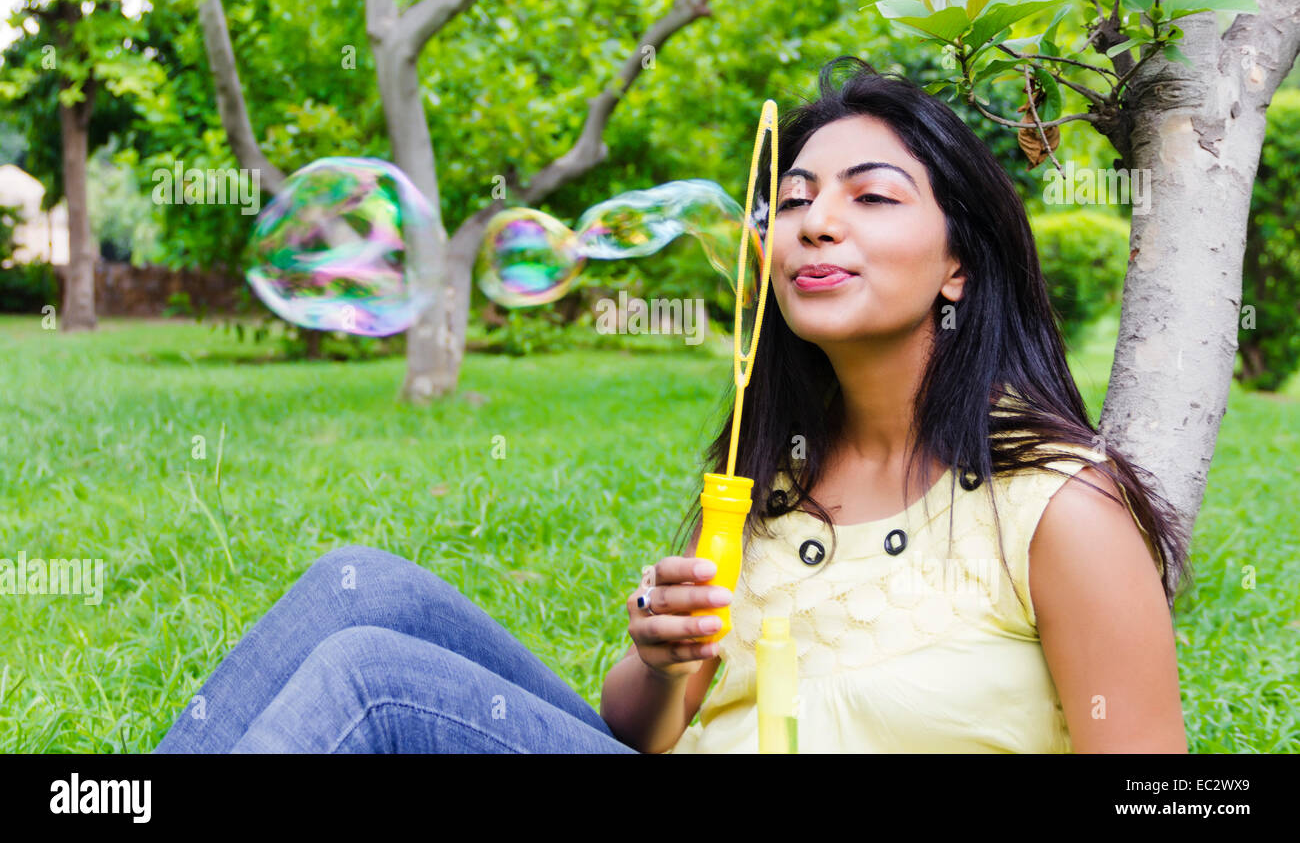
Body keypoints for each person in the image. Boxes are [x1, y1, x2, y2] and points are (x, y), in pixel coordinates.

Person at [155, 56, 1189, 754]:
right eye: (791, 201)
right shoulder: (770, 470)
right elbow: (643, 729)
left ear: (959, 263)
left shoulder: (1059, 510)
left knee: (372, 680)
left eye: (869, 196)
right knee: (359, 590)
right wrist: (661, 657)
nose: (814, 223)